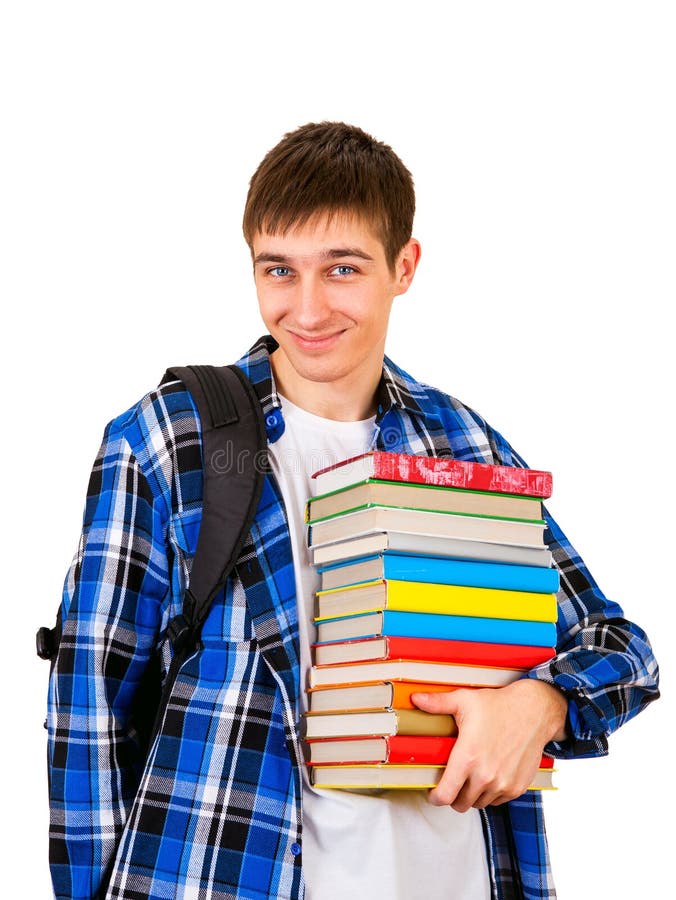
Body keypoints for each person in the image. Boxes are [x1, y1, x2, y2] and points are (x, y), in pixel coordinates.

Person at [46, 122, 659, 900]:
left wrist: (544, 703)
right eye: (279, 270)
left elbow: (622, 650)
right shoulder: (170, 441)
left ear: (404, 266)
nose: (306, 310)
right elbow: (87, 708)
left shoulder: (464, 447)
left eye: (342, 268)